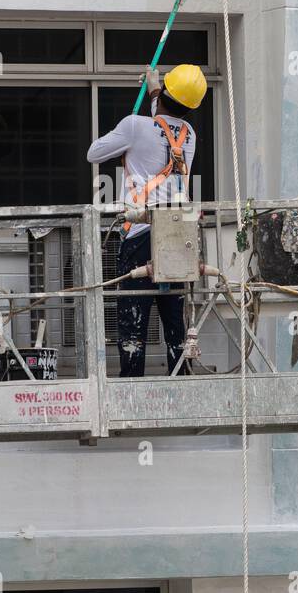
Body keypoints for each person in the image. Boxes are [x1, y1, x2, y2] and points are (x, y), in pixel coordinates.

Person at [87, 64, 207, 377]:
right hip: (178, 236)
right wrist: (155, 90)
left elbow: (94, 154)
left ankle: (131, 388)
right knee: (174, 325)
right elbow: (163, 119)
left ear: (166, 91)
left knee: (133, 325)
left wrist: (122, 141)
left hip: (141, 236)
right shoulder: (189, 135)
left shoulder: (134, 126)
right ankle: (181, 383)